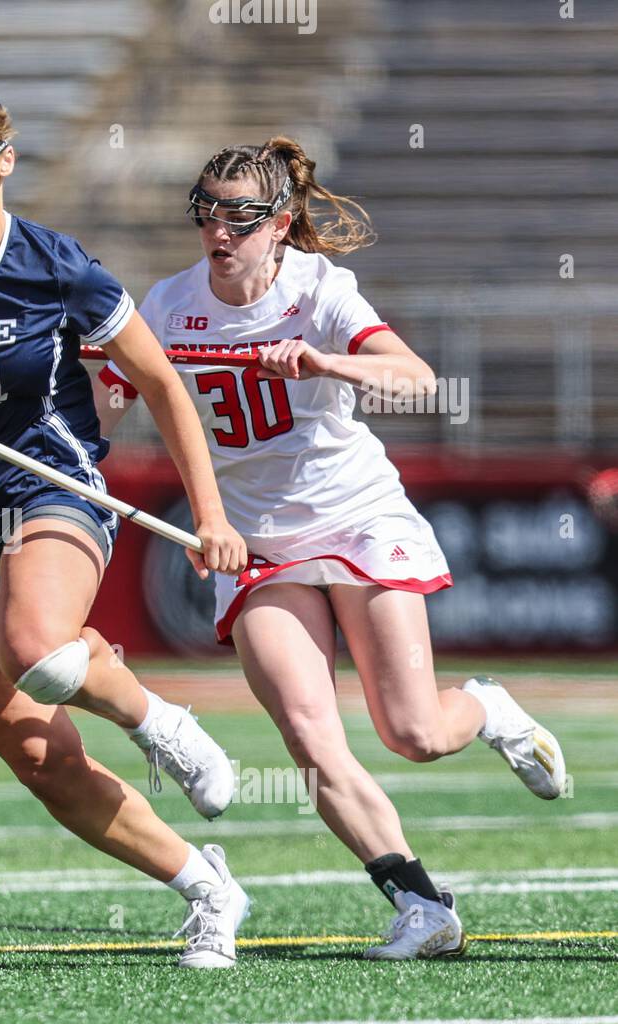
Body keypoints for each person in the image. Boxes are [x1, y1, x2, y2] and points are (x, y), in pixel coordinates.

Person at [97, 137, 567, 959]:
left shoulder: (320, 288)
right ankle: (423, 907)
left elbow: (417, 378)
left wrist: (323, 361)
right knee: (312, 741)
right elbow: (103, 407)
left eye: (240, 215)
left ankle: (488, 707)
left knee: (413, 734)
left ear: (280, 224)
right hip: (257, 546)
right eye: (206, 209)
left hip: (356, 521)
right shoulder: (167, 305)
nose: (220, 229)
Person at [0, 79, 252, 967]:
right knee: (39, 756)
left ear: (4, 160)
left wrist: (211, 515)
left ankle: (160, 724)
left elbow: (159, 384)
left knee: (37, 643)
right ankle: (207, 888)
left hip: (53, 485)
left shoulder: (57, 263)